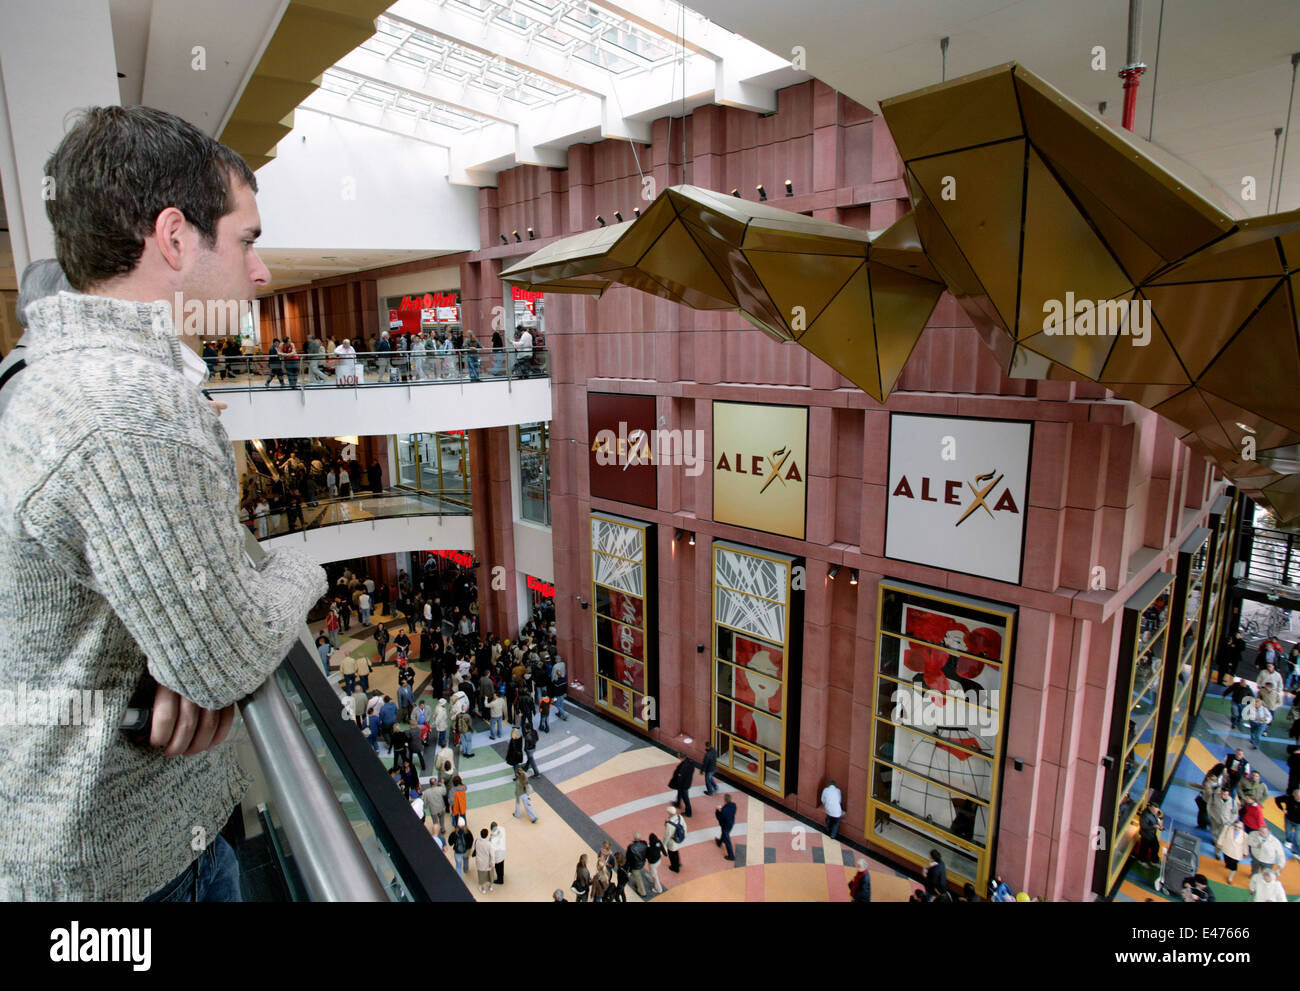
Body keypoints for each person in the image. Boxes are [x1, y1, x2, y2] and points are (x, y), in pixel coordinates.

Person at [0, 106, 329, 901]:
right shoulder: (128, 403)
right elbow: (225, 653)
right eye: (246, 239)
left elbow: (202, 639)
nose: (262, 272)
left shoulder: (61, 375)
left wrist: (193, 634)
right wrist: (299, 565)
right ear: (176, 238)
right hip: (130, 875)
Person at [1216, 819, 1249, 885]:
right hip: (1227, 849)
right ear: (1233, 825)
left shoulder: (1244, 835)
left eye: (1239, 827)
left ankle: (1230, 878)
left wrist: (1245, 853)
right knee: (1227, 860)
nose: (1237, 828)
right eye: (1236, 826)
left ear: (1242, 828)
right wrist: (1219, 843)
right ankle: (1228, 864)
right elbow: (1222, 836)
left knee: (1234, 866)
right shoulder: (1227, 828)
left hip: (1236, 853)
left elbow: (1245, 845)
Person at [625, 833, 651, 897]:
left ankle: (642, 892)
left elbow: (628, 859)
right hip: (642, 863)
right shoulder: (644, 844)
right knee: (637, 875)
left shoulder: (631, 847)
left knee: (638, 878)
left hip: (635, 865)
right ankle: (638, 886)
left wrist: (629, 870)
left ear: (634, 838)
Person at [664, 804, 687, 873]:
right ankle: (678, 863)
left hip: (673, 841)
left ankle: (675, 867)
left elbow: (667, 835)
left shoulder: (669, 824)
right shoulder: (680, 817)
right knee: (676, 852)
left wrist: (664, 844)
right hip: (679, 838)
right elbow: (684, 826)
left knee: (672, 854)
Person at [715, 793, 737, 861]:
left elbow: (720, 817)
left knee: (727, 839)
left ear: (725, 800)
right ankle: (719, 842)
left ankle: (731, 856)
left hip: (725, 825)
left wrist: (717, 811)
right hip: (731, 823)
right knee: (724, 834)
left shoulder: (724, 810)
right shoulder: (734, 805)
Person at [473, 827, 495, 894]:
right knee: (490, 875)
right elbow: (492, 855)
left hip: (480, 862)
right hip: (488, 862)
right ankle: (491, 886)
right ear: (487, 835)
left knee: (481, 876)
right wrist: (492, 863)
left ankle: (483, 889)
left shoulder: (477, 841)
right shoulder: (489, 844)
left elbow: (474, 848)